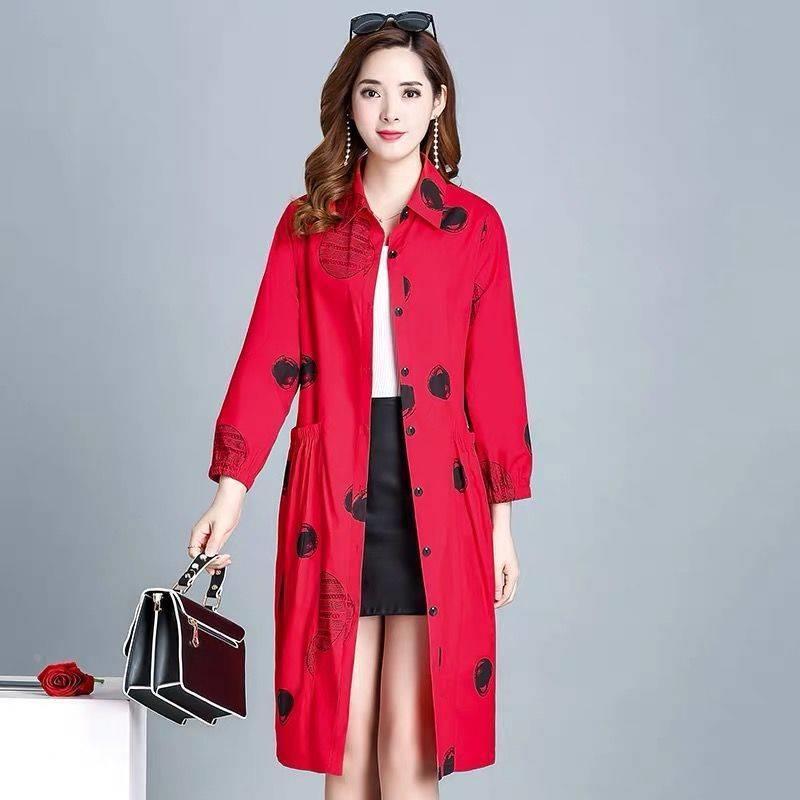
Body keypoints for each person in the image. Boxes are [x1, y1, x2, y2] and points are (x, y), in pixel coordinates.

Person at [187, 11, 533, 797]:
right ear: (348, 102)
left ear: (438, 102)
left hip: (438, 492)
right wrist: (230, 492)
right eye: (372, 91)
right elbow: (268, 360)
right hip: (334, 486)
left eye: (410, 92)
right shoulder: (307, 223)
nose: (390, 111)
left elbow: (494, 382)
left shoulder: (473, 229)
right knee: (342, 741)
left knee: (411, 745)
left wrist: (502, 524)